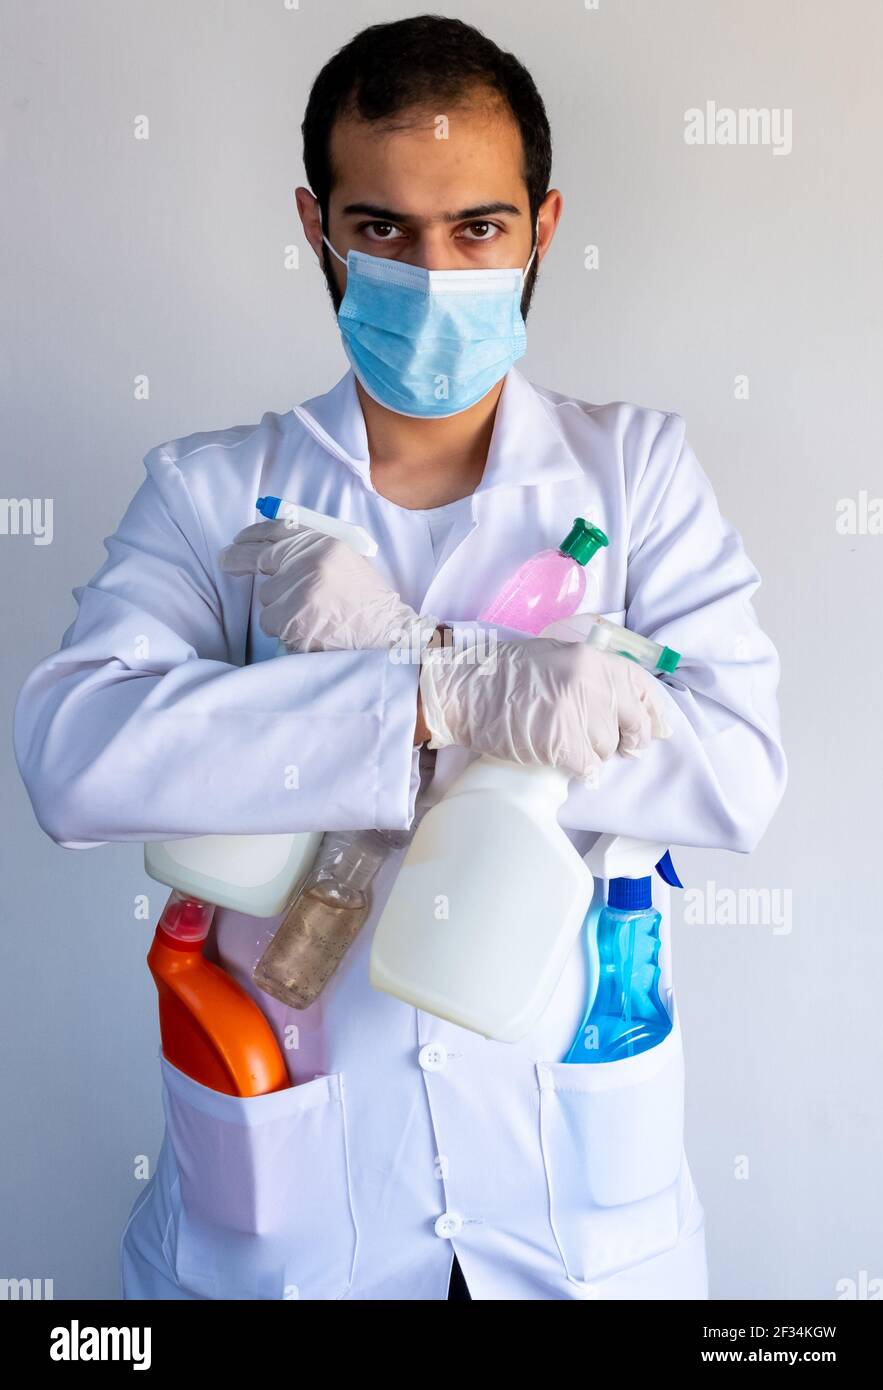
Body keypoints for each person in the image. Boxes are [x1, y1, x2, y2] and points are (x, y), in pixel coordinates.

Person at [13, 14, 786, 1301]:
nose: (433, 273)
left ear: (542, 227)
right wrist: (437, 692)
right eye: (384, 230)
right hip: (285, 1226)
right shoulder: (217, 496)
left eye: (476, 229)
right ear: (317, 226)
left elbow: (737, 775)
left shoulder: (635, 474)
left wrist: (417, 664)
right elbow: (74, 758)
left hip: (578, 1221)